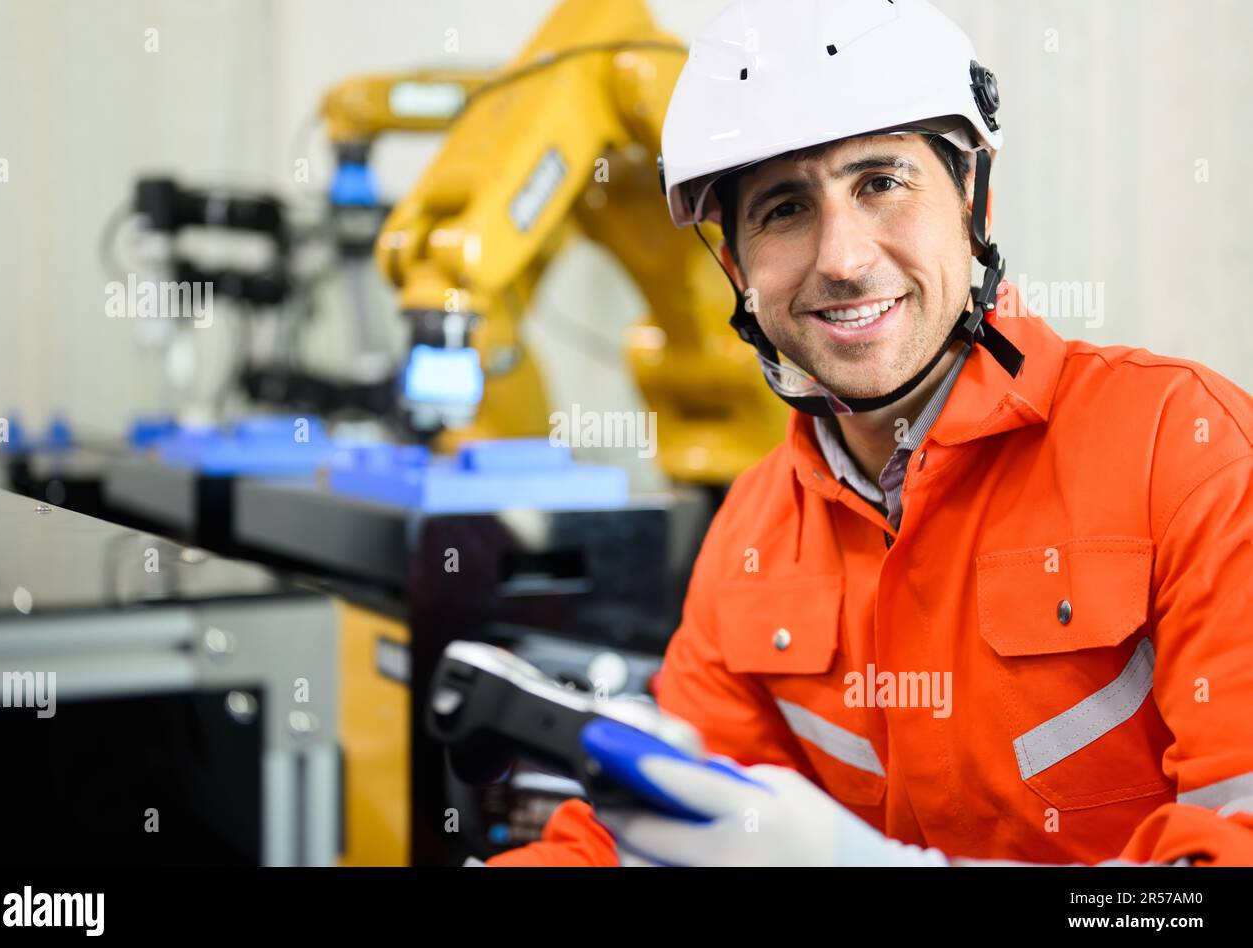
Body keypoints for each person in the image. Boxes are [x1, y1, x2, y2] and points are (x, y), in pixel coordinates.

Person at [487, 0, 1253, 866]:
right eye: (783, 209)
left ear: (971, 197)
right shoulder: (755, 531)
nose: (844, 259)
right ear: (736, 267)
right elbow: (649, 829)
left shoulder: (1186, 450)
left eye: (880, 182)